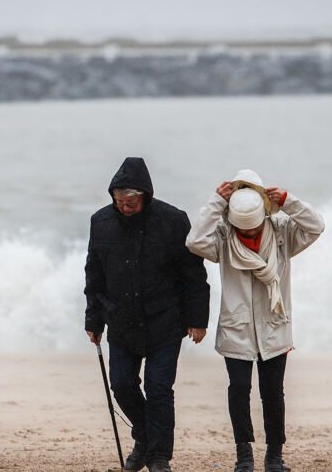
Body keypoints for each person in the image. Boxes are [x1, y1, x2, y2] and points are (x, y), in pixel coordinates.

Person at [185, 170, 324, 472]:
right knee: (238, 390)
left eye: (254, 227)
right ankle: (244, 455)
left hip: (274, 326)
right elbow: (194, 241)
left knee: (273, 393)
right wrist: (215, 203)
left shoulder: (283, 232)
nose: (248, 234)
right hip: (236, 329)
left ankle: (274, 457)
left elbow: (316, 226)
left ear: (264, 215)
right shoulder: (223, 237)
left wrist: (287, 200)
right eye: (243, 229)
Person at [84, 157, 211, 472]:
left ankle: (158, 457)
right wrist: (93, 320)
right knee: (121, 384)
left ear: (145, 196)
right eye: (119, 202)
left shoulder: (173, 220)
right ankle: (144, 436)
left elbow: (193, 274)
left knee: (158, 389)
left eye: (130, 203)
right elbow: (94, 275)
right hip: (121, 321)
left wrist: (197, 319)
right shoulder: (101, 222)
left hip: (164, 321)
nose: (124, 208)